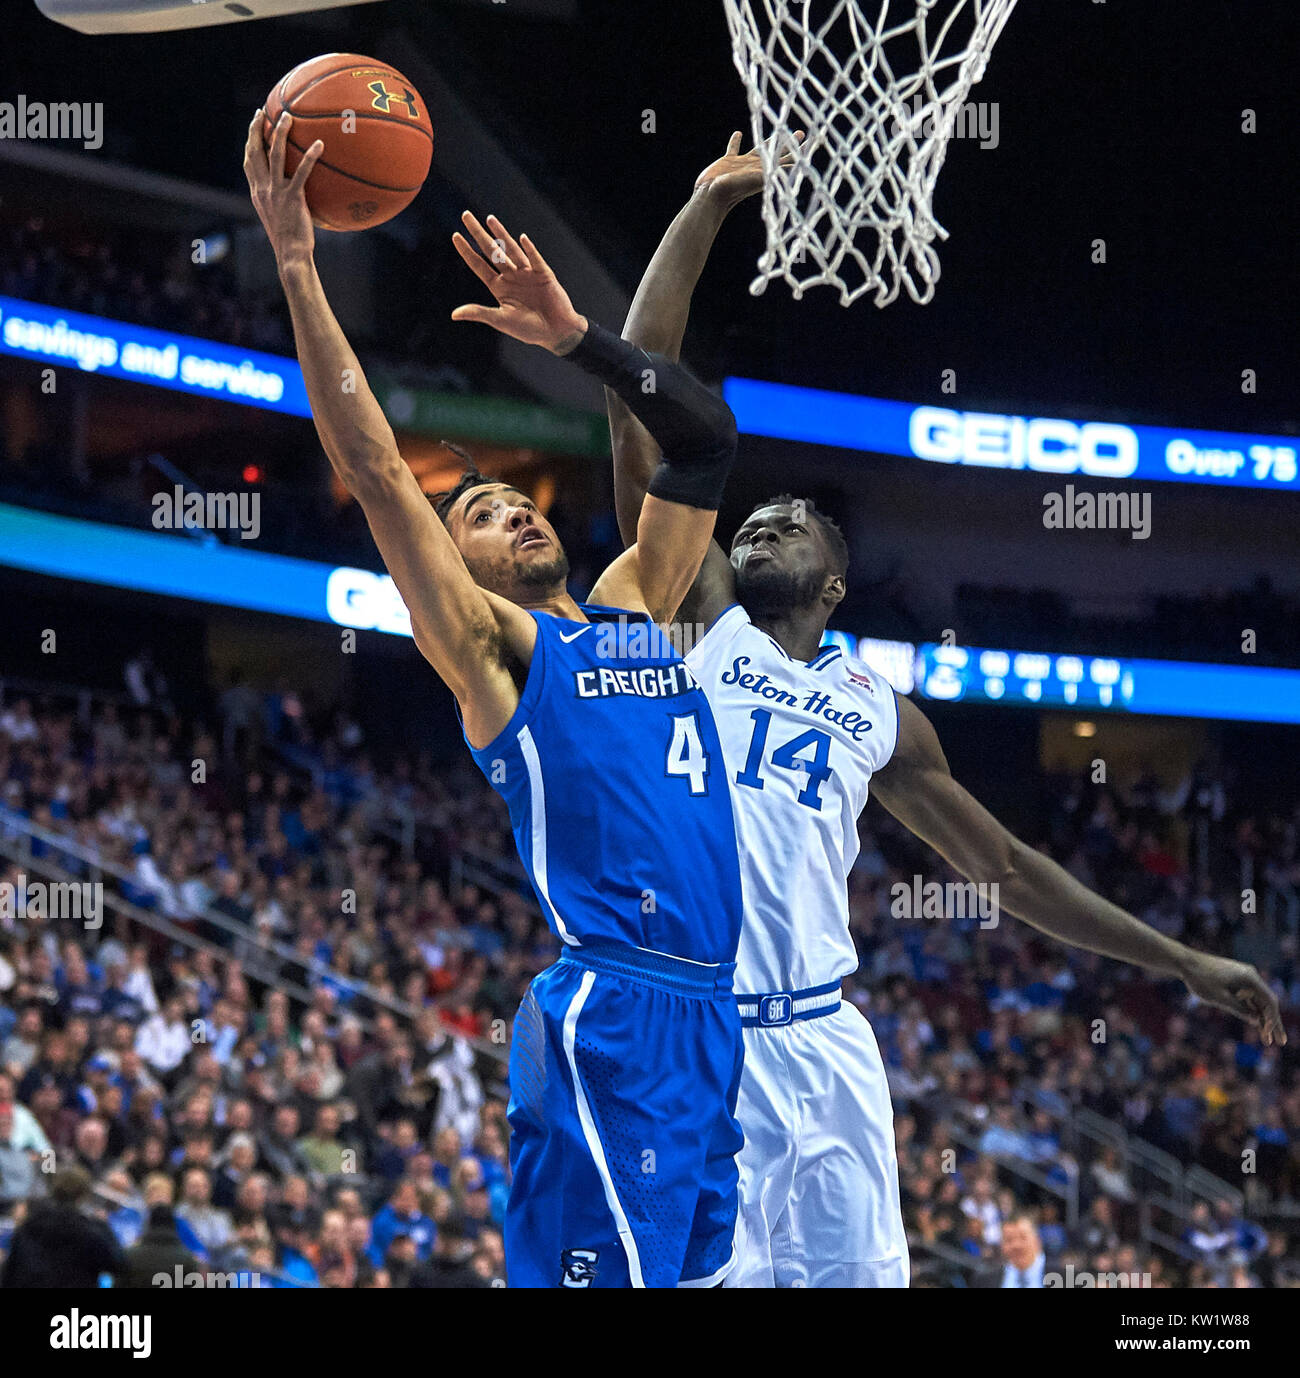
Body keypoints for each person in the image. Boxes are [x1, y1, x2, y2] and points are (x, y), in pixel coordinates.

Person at [608, 135, 1287, 1289]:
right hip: (694, 1039)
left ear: (834, 583)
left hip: (822, 1045)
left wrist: (1174, 958)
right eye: (755, 514)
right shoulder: (696, 616)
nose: (763, 518)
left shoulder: (881, 712)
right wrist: (704, 208)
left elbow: (1011, 870)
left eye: (794, 520)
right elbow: (638, 395)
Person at [244, 111, 747, 1288]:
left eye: (515, 502)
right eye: (477, 515)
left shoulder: (636, 598)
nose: (513, 512)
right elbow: (374, 470)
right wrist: (298, 264)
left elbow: (706, 442)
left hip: (712, 1020)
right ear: (451, 571)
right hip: (611, 1017)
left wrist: (581, 341)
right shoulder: (490, 653)